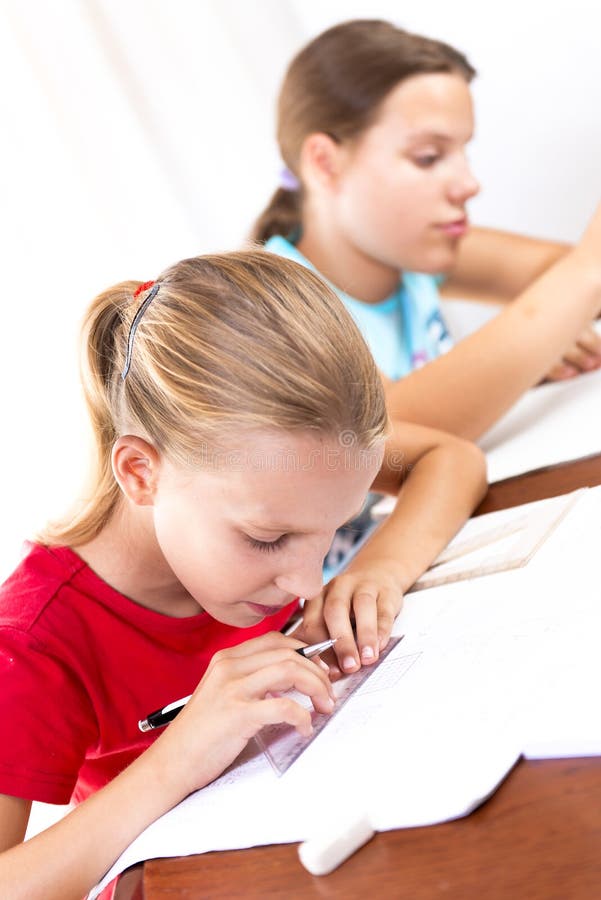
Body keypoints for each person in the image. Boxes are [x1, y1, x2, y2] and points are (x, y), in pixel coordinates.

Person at [0, 250, 485, 899]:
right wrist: (178, 758)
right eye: (269, 539)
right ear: (143, 474)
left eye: (335, 529)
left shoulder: (290, 460)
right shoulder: (32, 641)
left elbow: (448, 457)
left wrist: (379, 569)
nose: (307, 585)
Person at [253, 18, 601, 441]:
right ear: (325, 163)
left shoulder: (408, 251)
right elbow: (389, 435)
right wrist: (585, 274)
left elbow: (551, 273)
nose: (470, 184)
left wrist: (539, 349)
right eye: (428, 157)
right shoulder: (272, 310)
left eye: (463, 151)